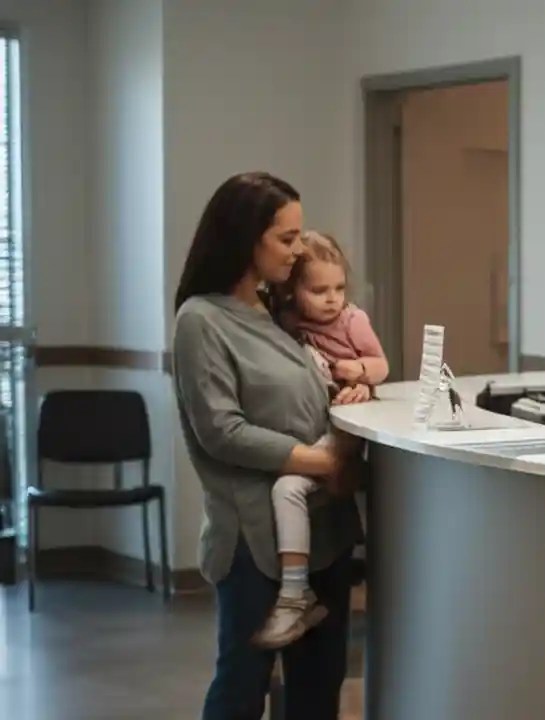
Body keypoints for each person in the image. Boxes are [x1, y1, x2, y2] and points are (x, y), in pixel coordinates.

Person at [172, 171, 367, 719]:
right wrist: (323, 460)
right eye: (286, 238)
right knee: (242, 686)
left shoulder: (279, 314)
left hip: (321, 527)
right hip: (255, 538)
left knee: (318, 688)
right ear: (245, 238)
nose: (299, 250)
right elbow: (221, 430)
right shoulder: (202, 322)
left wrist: (347, 391)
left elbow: (302, 397)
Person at [253, 230, 388, 649]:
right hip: (313, 430)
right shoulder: (289, 325)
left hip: (341, 431)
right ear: (293, 292)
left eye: (339, 288)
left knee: (289, 488)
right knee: (290, 489)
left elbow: (381, 364)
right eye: (319, 290)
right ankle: (297, 590)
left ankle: (294, 595)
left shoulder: (352, 320)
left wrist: (361, 374)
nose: (332, 299)